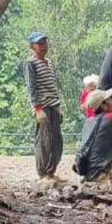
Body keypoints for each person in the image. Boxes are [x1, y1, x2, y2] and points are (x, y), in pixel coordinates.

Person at [22, 32, 63, 184]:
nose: (43, 46)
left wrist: (58, 107)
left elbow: (52, 87)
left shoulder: (48, 62)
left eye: (44, 43)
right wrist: (37, 109)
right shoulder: (30, 63)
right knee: (44, 141)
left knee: (56, 142)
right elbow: (31, 88)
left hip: (53, 105)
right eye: (40, 44)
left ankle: (51, 172)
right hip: (43, 107)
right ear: (33, 47)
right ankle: (42, 174)